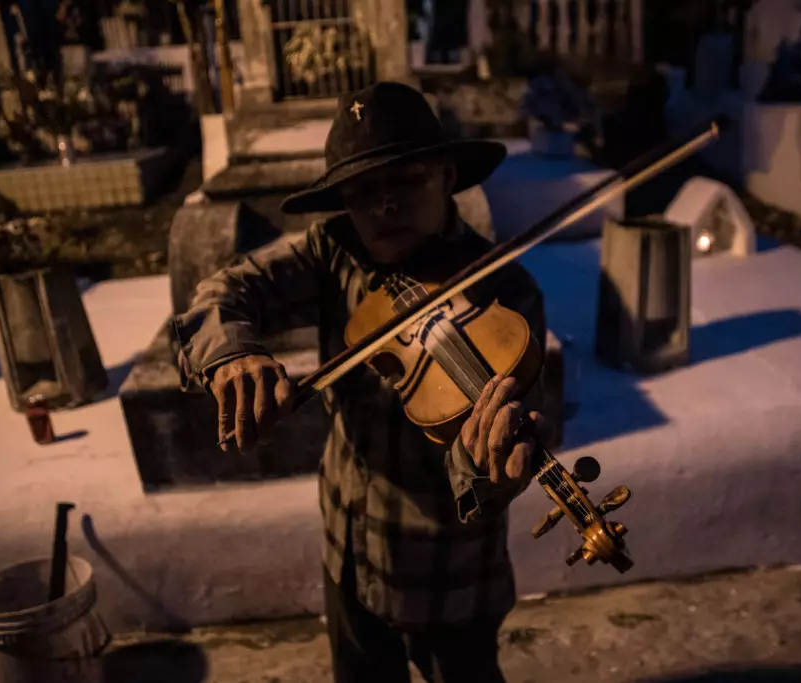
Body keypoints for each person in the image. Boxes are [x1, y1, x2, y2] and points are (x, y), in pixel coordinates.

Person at [172, 81, 550, 683]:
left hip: (448, 575)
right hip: (348, 550)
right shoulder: (335, 251)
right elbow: (224, 290)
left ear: (447, 175)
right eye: (362, 192)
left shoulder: (504, 294)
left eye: (406, 181)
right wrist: (233, 353)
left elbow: (476, 471)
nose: (384, 207)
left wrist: (486, 462)